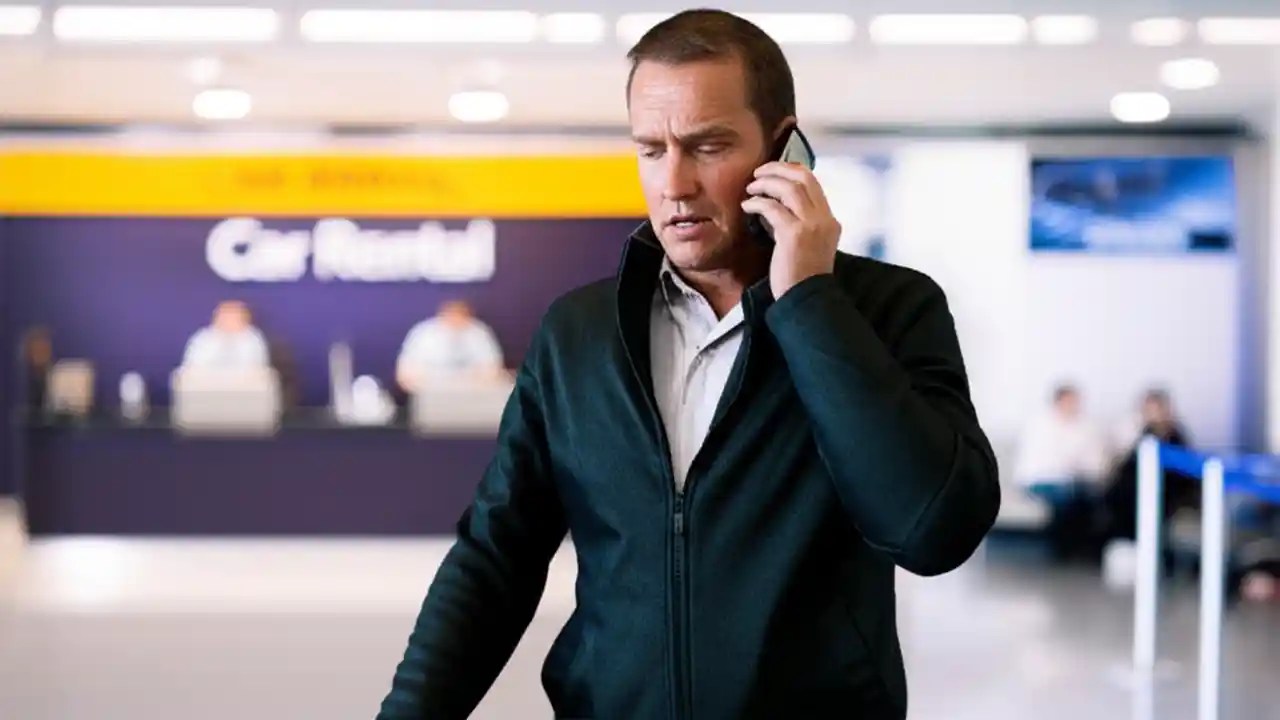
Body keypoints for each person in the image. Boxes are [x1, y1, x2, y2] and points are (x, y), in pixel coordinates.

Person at [377, 10, 999, 719]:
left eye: (707, 146)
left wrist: (810, 304)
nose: (673, 183)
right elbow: (494, 559)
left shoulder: (889, 310)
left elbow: (932, 533)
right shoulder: (579, 332)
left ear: (784, 150)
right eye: (651, 149)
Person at [1014, 384, 1110, 559]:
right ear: (1057, 402)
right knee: (1066, 496)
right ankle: (1061, 550)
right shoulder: (1041, 425)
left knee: (1092, 496)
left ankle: (1085, 549)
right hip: (1039, 480)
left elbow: (1093, 461)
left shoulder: (1084, 426)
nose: (1073, 406)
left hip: (1073, 480)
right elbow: (1048, 462)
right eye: (1069, 401)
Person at [1102, 388, 1194, 543]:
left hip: (1166, 492)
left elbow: (1183, 474)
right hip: (1136, 490)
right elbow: (1129, 465)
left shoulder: (1175, 437)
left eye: (1155, 410)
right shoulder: (1146, 433)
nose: (1151, 415)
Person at [395, 300, 505, 394]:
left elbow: (493, 369)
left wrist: (464, 383)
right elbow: (405, 374)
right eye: (451, 318)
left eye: (460, 318)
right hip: (430, 394)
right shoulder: (422, 333)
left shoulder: (480, 333)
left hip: (473, 394)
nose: (455, 322)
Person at [180, 300, 270, 371]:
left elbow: (257, 370)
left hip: (243, 386)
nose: (229, 321)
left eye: (235, 317)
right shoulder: (202, 338)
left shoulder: (253, 338)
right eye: (225, 317)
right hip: (205, 385)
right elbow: (191, 368)